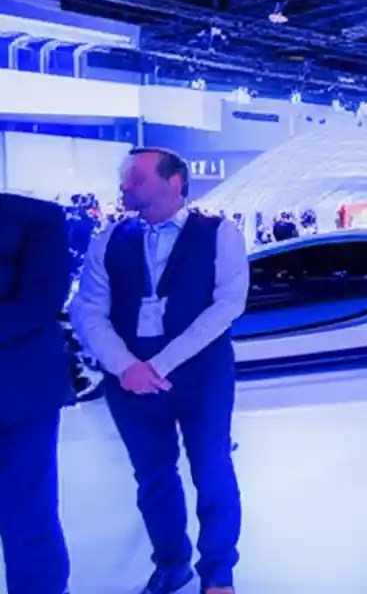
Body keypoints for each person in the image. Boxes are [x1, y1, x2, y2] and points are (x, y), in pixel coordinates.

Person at [71, 147, 248, 594]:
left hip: (201, 374)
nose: (125, 185)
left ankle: (218, 572)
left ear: (174, 183)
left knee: (212, 469)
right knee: (153, 476)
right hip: (130, 381)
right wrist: (126, 366)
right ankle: (171, 563)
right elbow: (88, 310)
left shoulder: (221, 233)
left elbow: (228, 305)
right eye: (125, 177)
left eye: (136, 178)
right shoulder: (109, 239)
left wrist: (159, 363)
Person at [0, 193, 73, 594]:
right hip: (25, 385)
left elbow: (42, 300)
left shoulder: (37, 218)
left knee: (28, 513)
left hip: (20, 393)